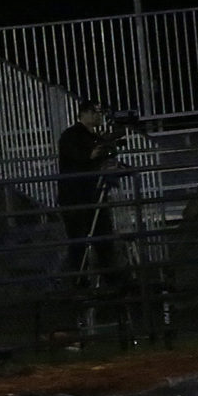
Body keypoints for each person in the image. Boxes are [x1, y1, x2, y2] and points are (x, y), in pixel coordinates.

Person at [56, 100, 122, 280]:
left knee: (104, 240)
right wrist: (102, 147)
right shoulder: (71, 136)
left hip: (94, 195)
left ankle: (110, 280)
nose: (99, 116)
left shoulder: (94, 137)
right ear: (84, 113)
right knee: (78, 242)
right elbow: (83, 157)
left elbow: (101, 158)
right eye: (95, 112)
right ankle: (79, 281)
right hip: (75, 197)